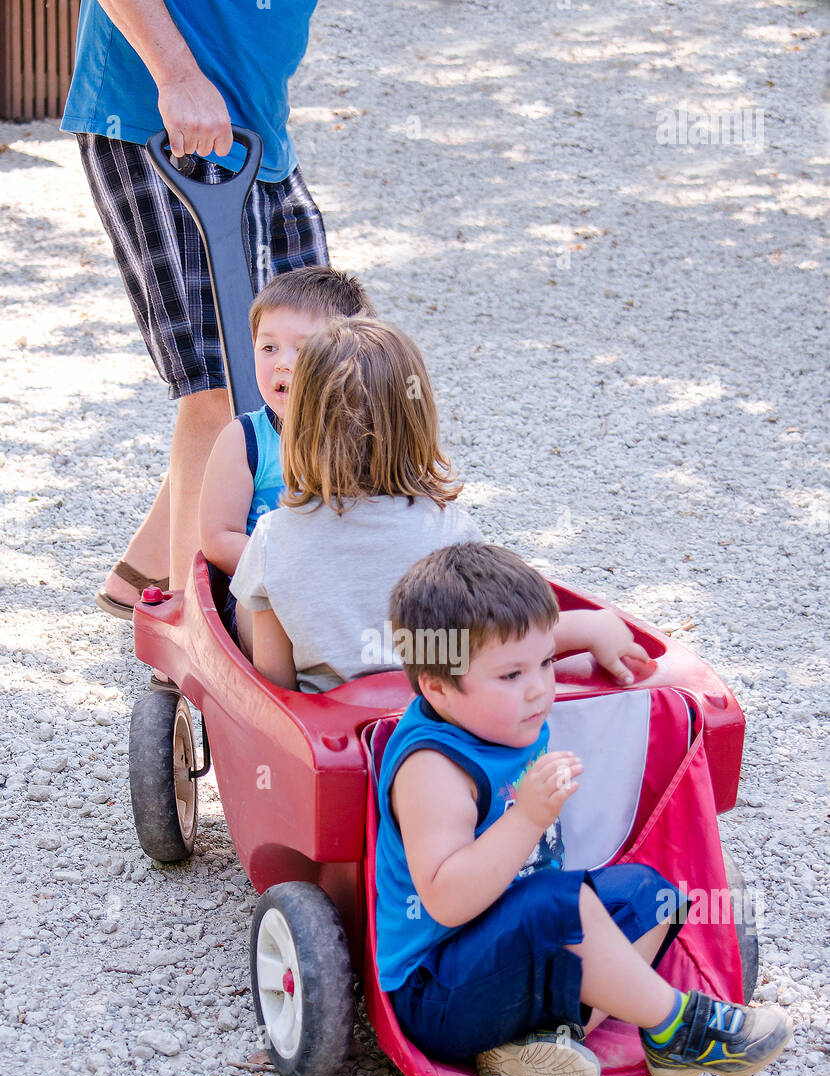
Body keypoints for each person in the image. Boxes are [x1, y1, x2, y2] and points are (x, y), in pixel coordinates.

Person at [375, 542, 793, 1076]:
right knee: (558, 904)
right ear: (438, 688)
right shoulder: (435, 769)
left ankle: (538, 1043)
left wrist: (597, 627)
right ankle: (678, 1025)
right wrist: (526, 818)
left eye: (546, 664)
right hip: (439, 990)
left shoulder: (493, 700)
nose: (539, 687)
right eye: (513, 675)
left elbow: (525, 640)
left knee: (651, 895)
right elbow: (447, 901)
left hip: (513, 955)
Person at [61, 0, 328, 621]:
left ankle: (145, 572)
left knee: (307, 369)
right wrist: (177, 77)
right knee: (219, 380)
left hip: (259, 132)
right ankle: (193, 632)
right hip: (160, 120)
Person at [231, 317, 659, 694]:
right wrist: (588, 626)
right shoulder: (450, 530)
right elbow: (486, 644)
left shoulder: (273, 539)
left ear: (300, 430)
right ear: (416, 426)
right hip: (444, 724)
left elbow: (276, 687)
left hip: (336, 745)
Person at [199, 266, 375, 656]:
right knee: (267, 605)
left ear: (354, 360)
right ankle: (280, 707)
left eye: (304, 348)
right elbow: (218, 537)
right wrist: (290, 571)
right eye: (269, 347)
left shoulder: (366, 436)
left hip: (348, 588)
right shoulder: (247, 441)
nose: (282, 362)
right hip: (267, 589)